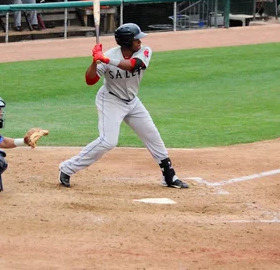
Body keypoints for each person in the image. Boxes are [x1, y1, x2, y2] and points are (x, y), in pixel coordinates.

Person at [59, 24, 189, 190]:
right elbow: (90, 80)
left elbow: (134, 64)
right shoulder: (108, 56)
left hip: (132, 101)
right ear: (128, 42)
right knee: (108, 141)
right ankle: (67, 168)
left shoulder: (144, 51)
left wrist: (106, 60)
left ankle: (169, 176)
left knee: (152, 135)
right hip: (111, 100)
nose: (140, 41)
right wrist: (95, 61)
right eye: (137, 39)